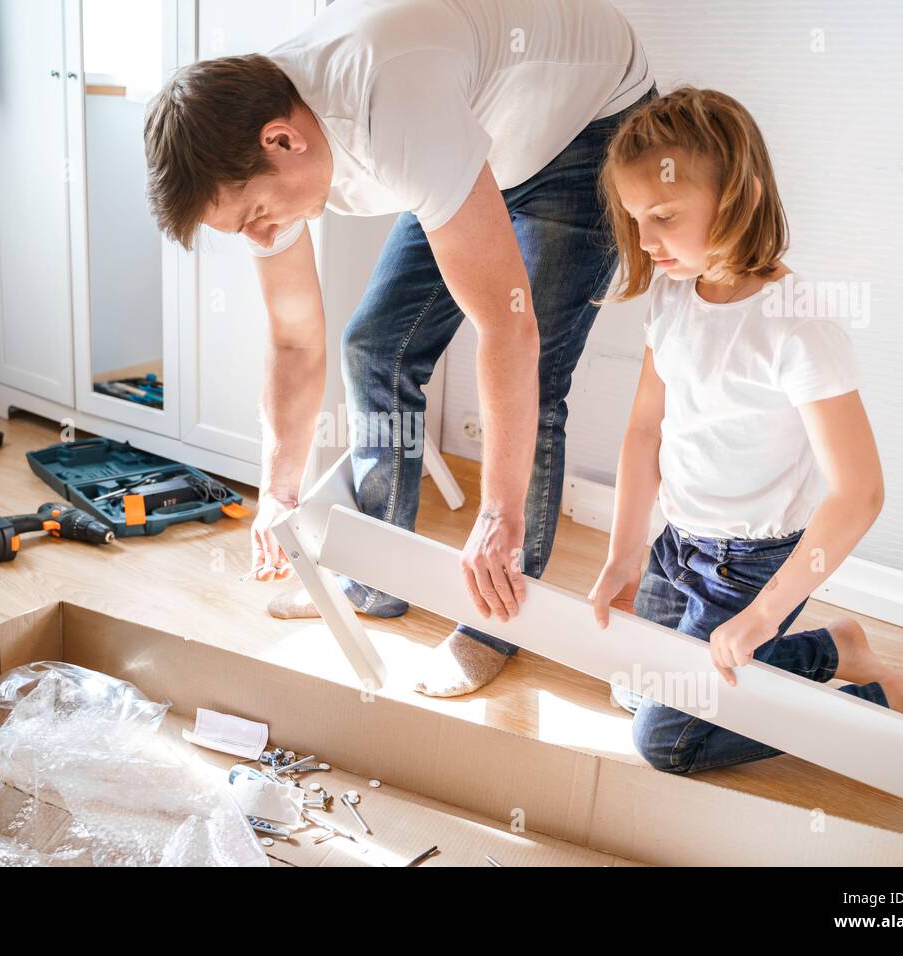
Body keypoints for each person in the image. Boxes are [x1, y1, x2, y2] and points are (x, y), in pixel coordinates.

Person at [143, 0, 654, 696]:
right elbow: (294, 340)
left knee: (539, 368)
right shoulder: (270, 135)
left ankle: (501, 616)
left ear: (283, 140)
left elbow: (509, 327)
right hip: (479, 128)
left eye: (258, 216)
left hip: (584, 124)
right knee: (374, 345)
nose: (262, 239)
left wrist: (499, 512)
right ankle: (374, 577)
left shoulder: (392, 107)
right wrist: (277, 491)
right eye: (241, 229)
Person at [587, 87, 903, 773]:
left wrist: (764, 615)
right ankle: (828, 648)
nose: (645, 241)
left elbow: (859, 494)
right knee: (629, 688)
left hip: (751, 565)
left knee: (664, 742)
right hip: (678, 544)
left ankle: (870, 703)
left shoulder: (798, 326)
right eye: (634, 218)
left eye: (665, 216)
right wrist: (624, 551)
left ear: (738, 195)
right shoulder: (674, 292)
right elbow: (645, 429)